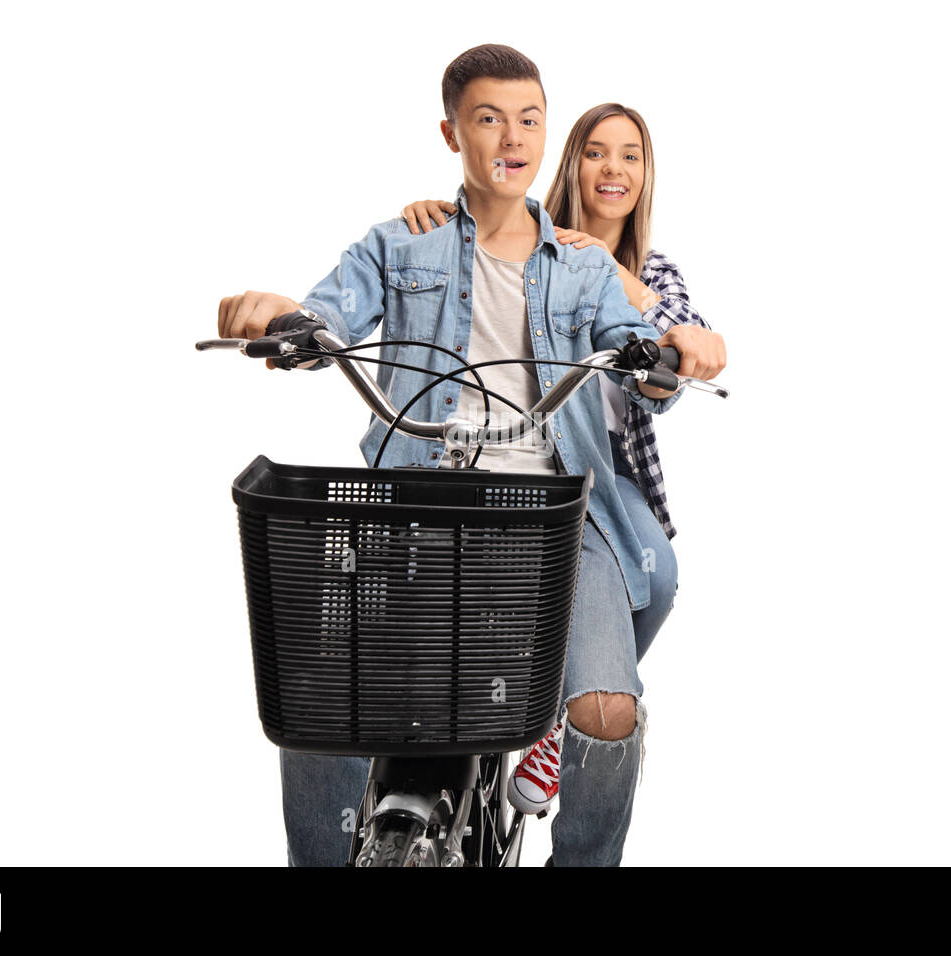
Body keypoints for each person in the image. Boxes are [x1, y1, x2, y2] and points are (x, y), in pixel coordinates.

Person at [216, 44, 725, 866]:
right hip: (412, 505)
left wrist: (674, 350)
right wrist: (282, 320)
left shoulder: (587, 267)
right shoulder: (400, 243)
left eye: (529, 120)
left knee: (606, 711)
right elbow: (326, 317)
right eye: (488, 119)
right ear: (452, 132)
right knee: (320, 697)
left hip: (559, 514)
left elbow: (636, 346)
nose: (512, 138)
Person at [399, 103, 724, 816]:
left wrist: (626, 287)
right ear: (571, 162)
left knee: (658, 578)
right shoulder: (528, 243)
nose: (614, 170)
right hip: (513, 447)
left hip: (604, 462)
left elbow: (681, 330)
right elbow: (467, 258)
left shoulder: (652, 268)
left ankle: (560, 715)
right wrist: (431, 216)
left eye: (631, 156)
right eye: (597, 153)